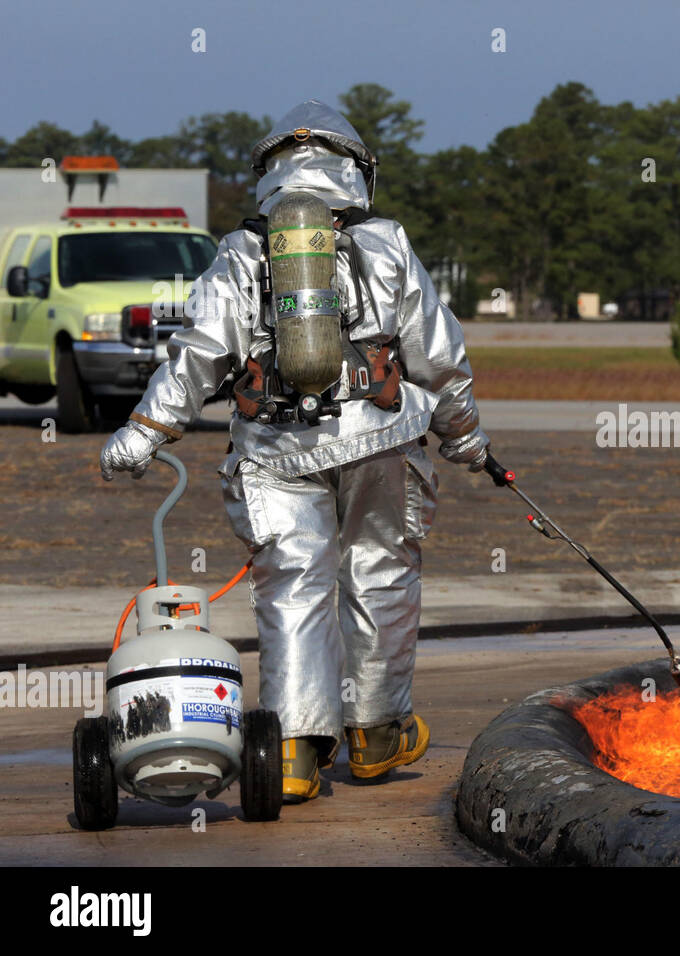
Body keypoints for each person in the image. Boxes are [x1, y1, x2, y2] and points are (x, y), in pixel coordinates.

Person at [99, 100, 497, 804]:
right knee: (379, 573)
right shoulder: (387, 243)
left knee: (293, 590)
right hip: (382, 441)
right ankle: (375, 735)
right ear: (357, 171)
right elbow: (439, 355)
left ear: (269, 173)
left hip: (273, 451)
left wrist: (145, 430)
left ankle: (291, 753)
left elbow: (201, 354)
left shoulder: (241, 250)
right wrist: (465, 438)